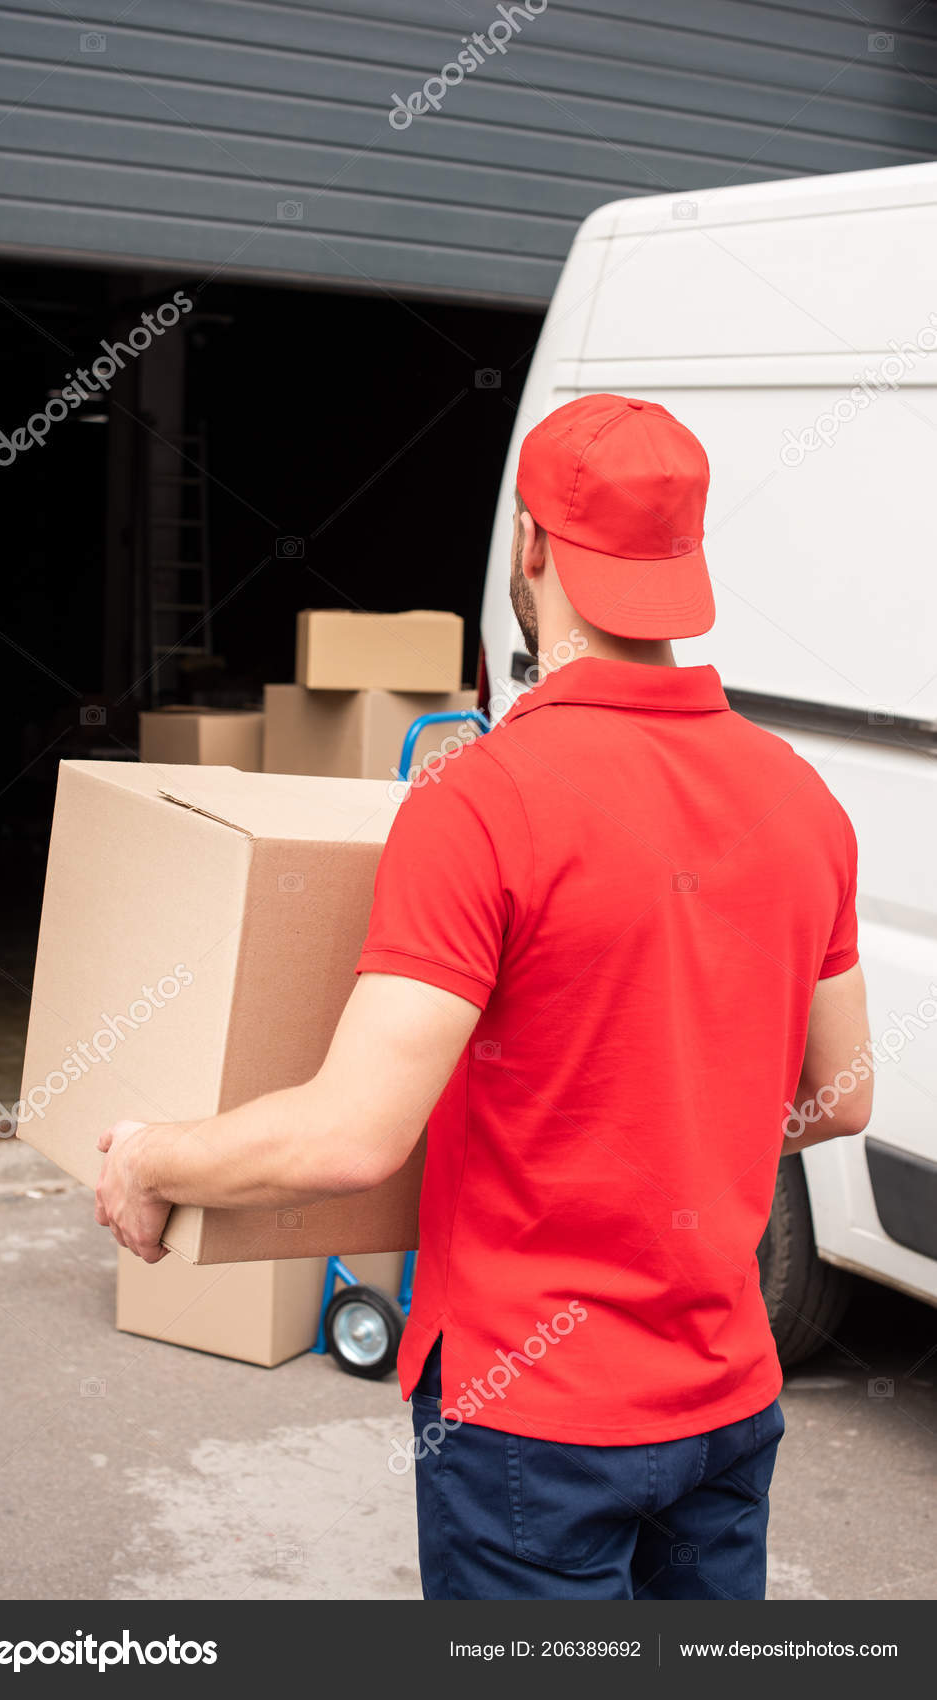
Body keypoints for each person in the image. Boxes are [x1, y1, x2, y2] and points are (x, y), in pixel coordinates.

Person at [95, 393, 872, 1601]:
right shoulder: (799, 797)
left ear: (534, 546)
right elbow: (841, 1092)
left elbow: (353, 1134)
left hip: (534, 1417)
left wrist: (154, 1160)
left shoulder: (484, 798)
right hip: (726, 1398)